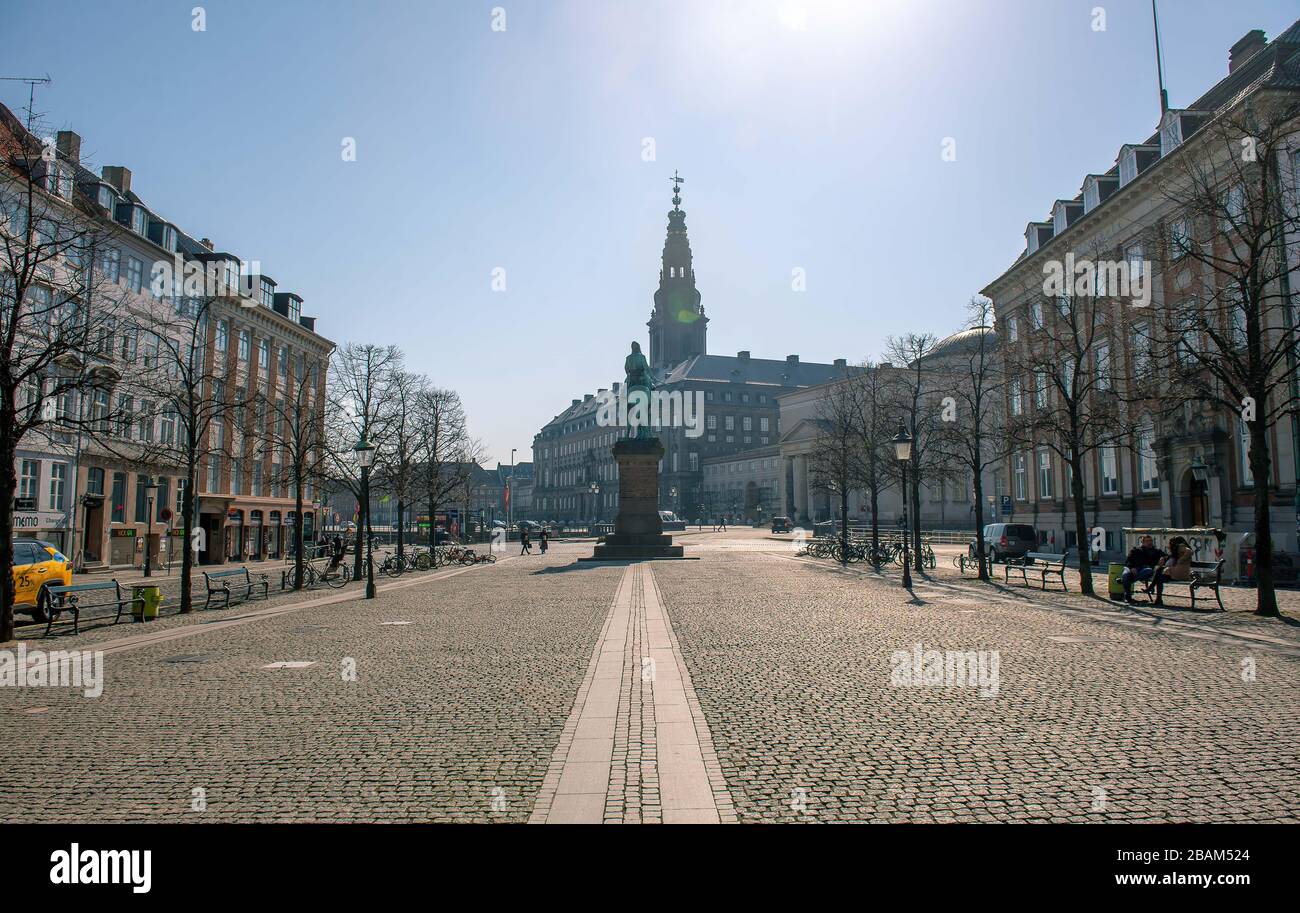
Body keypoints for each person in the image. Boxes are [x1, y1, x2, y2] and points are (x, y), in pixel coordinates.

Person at [1121, 535, 1166, 604]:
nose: (1149, 542)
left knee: (1148, 570)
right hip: (1135, 568)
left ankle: (1132, 579)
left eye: (1151, 541)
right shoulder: (1136, 550)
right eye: (1147, 541)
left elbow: (1166, 556)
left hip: (1146, 570)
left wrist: (1163, 558)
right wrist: (1132, 567)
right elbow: (1128, 561)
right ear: (1142, 542)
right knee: (1125, 575)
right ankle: (1128, 597)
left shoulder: (1156, 551)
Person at [1151, 536, 1193, 606]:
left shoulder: (1181, 546)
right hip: (1176, 574)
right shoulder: (1177, 551)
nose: (1170, 544)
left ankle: (1153, 591)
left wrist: (1181, 560)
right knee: (1159, 575)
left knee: (1159, 574)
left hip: (1179, 575)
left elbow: (1189, 551)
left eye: (1171, 543)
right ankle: (1157, 598)